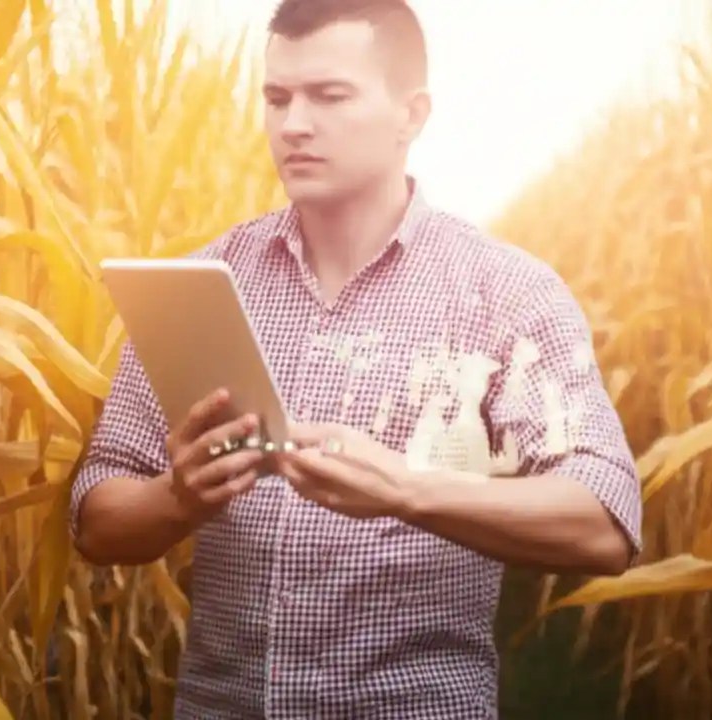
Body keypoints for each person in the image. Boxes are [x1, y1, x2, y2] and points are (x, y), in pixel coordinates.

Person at [69, 0, 643, 717]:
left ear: (412, 115)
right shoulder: (204, 283)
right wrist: (175, 498)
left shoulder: (509, 295)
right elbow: (95, 516)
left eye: (330, 96)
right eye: (277, 98)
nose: (294, 124)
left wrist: (405, 489)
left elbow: (605, 523)